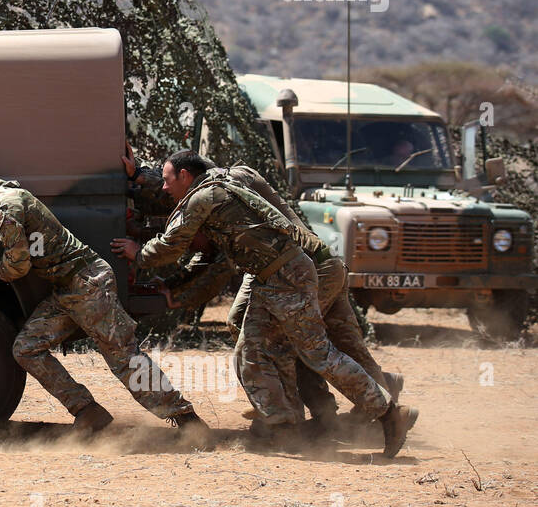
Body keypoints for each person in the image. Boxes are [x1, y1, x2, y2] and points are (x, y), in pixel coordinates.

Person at [0, 145, 215, 444]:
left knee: (124, 360)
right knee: (26, 348)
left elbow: (18, 264)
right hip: (70, 289)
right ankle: (87, 411)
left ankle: (186, 420)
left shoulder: (5, 208)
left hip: (87, 286)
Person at [111, 149, 417, 458]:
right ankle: (284, 427)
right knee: (251, 351)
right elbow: (175, 209)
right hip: (273, 277)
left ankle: (388, 412)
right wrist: (139, 175)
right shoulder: (217, 184)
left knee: (317, 353)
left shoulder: (205, 197)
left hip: (287, 276)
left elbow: (172, 244)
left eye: (166, 180)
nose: (164, 188)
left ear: (185, 176)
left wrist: (138, 253)